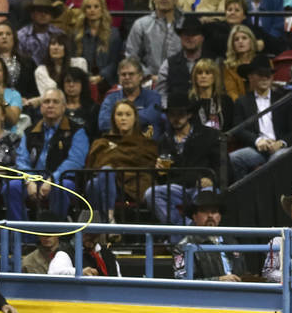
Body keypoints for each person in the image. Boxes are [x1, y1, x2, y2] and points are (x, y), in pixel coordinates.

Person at [4, 88, 89, 220]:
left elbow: (74, 161)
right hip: (34, 180)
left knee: (60, 188)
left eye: (55, 102)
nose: (50, 105)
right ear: (41, 107)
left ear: (63, 107)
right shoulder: (29, 132)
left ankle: (55, 235)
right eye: (46, 102)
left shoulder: (77, 131)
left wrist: (52, 180)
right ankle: (23, 236)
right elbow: (22, 160)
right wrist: (30, 180)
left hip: (62, 181)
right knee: (11, 187)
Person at [144, 90, 225, 226]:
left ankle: (193, 234)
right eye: (172, 115)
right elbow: (163, 177)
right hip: (177, 187)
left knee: (205, 196)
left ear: (189, 114)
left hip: (201, 186)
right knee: (151, 194)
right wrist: (159, 172)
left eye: (180, 114)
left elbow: (222, 165)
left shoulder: (209, 135)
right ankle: (185, 229)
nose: (176, 119)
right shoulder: (165, 140)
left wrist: (212, 179)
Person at [229, 53, 292, 181]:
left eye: (268, 74)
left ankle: (264, 189)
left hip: (279, 148)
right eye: (260, 74)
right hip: (257, 149)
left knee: (279, 157)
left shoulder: (284, 99)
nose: (264, 78)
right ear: (250, 77)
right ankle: (243, 194)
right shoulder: (242, 102)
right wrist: (257, 141)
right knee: (233, 158)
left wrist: (281, 143)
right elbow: (238, 128)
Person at [85, 99, 158, 222]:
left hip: (134, 185)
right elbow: (93, 166)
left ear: (135, 118)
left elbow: (148, 166)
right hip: (110, 185)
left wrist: (113, 157)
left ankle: (105, 223)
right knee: (94, 183)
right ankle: (108, 219)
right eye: (119, 114)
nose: (123, 118)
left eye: (128, 114)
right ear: (113, 118)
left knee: (104, 173)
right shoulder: (102, 143)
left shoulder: (146, 144)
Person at [172, 189, 246, 281]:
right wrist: (218, 280)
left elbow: (242, 272)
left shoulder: (232, 242)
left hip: (237, 292)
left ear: (219, 217)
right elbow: (182, 280)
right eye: (204, 211)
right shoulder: (182, 247)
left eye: (214, 211)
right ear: (194, 217)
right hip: (207, 294)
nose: (210, 215)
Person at [124, 0, 182, 81]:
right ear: (154, 0)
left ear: (175, 0)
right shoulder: (141, 24)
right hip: (148, 80)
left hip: (179, 80)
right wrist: (148, 75)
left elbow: (192, 55)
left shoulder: (185, 24)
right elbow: (131, 56)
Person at [97, 57, 163, 140]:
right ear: (119, 77)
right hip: (118, 145)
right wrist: (137, 121)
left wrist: (120, 120)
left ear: (140, 76)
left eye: (131, 74)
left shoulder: (153, 97)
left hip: (146, 145)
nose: (127, 77)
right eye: (123, 74)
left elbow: (152, 117)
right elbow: (104, 123)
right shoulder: (111, 98)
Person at [69, 0, 122, 92]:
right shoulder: (77, 34)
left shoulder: (114, 34)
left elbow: (115, 62)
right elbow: (74, 60)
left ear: (102, 9)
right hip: (82, 80)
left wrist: (101, 76)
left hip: (107, 81)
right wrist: (86, 77)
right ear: (84, 11)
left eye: (96, 7)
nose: (92, 10)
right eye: (88, 7)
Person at [156, 14, 205, 107]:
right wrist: (169, 110)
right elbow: (161, 94)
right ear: (181, 37)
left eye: (194, 34)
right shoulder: (168, 64)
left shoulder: (211, 62)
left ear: (202, 38)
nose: (189, 38)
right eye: (186, 34)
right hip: (176, 115)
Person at [0, 19, 38, 100]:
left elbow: (34, 91)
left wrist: (26, 99)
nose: (4, 37)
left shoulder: (28, 63)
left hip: (23, 105)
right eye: (0, 34)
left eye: (8, 34)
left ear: (14, 38)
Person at [33, 31, 87, 102]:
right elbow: (46, 96)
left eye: (60, 44)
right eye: (53, 44)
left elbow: (84, 89)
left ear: (67, 48)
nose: (56, 47)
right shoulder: (41, 71)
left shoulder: (79, 63)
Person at [17, 0, 64, 65]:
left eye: (47, 11)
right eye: (39, 11)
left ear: (52, 15)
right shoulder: (21, 35)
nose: (43, 14)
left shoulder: (60, 34)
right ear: (32, 14)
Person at [190, 57, 234, 130]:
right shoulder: (190, 101)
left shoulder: (225, 101)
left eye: (207, 73)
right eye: (200, 73)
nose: (203, 76)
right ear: (195, 77)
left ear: (214, 77)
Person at [219, 23, 259, 101]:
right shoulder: (228, 68)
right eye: (236, 39)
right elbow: (232, 93)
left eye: (244, 38)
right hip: (239, 107)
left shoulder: (263, 62)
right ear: (232, 44)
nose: (240, 41)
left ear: (251, 41)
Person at [61, 66, 99, 139]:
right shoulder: (57, 107)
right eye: (68, 81)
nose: (71, 85)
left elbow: (95, 136)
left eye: (76, 81)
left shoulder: (93, 108)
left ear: (83, 85)